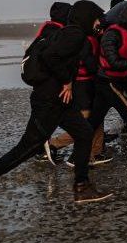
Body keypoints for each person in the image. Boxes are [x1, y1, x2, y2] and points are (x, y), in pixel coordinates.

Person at [0, 1, 110, 214]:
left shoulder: (68, 32)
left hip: (58, 100)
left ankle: (82, 187)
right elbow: (49, 57)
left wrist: (66, 81)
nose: (99, 23)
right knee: (27, 148)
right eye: (97, 18)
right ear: (87, 17)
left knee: (85, 133)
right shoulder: (75, 34)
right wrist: (66, 80)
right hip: (49, 100)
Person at [81, 5, 127, 164]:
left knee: (94, 120)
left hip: (118, 81)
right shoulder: (111, 35)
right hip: (109, 81)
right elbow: (114, 62)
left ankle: (67, 151)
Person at [42, 19, 104, 165]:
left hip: (87, 84)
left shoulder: (87, 38)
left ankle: (96, 151)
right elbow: (88, 64)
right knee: (86, 122)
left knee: (97, 116)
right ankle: (54, 145)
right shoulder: (85, 40)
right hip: (83, 85)